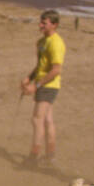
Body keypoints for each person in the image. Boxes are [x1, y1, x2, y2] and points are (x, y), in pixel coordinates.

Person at [20, 9, 65, 165]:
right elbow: (41, 65)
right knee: (47, 120)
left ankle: (34, 155)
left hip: (48, 85)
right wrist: (29, 77)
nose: (40, 25)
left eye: (44, 23)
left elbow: (56, 69)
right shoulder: (41, 42)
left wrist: (36, 85)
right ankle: (50, 155)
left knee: (36, 119)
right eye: (41, 22)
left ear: (54, 25)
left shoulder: (56, 43)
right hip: (44, 84)